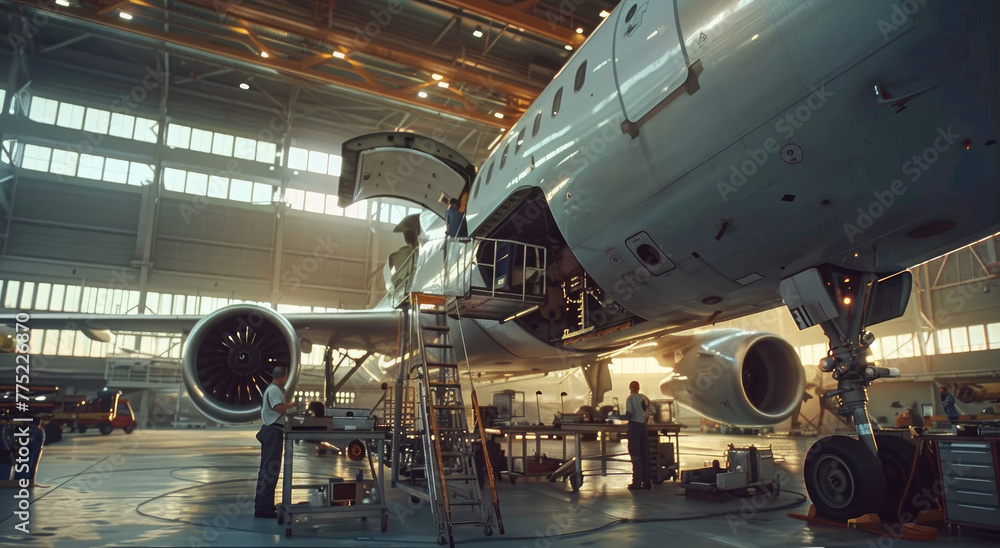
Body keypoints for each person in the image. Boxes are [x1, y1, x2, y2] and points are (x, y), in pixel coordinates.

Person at [254, 366, 297, 519]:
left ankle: (263, 504)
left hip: (272, 430)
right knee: (269, 470)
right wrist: (291, 406)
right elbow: (278, 408)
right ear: (284, 377)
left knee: (267, 470)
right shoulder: (274, 390)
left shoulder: (274, 390)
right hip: (272, 431)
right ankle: (263, 508)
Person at [623, 380, 652, 490]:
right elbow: (648, 411)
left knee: (635, 455)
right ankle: (647, 483)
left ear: (630, 388)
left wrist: (617, 417)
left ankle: (637, 483)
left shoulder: (630, 398)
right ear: (639, 388)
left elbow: (629, 414)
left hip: (634, 428)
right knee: (645, 455)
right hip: (643, 428)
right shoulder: (644, 398)